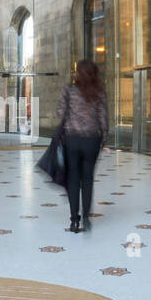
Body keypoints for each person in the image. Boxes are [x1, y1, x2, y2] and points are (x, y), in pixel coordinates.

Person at [56, 60, 108, 233]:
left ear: (78, 73)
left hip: (72, 139)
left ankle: (74, 221)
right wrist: (103, 140)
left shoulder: (69, 91)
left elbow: (60, 113)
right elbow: (103, 118)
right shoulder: (99, 92)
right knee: (87, 179)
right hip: (92, 140)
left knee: (73, 179)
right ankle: (86, 219)